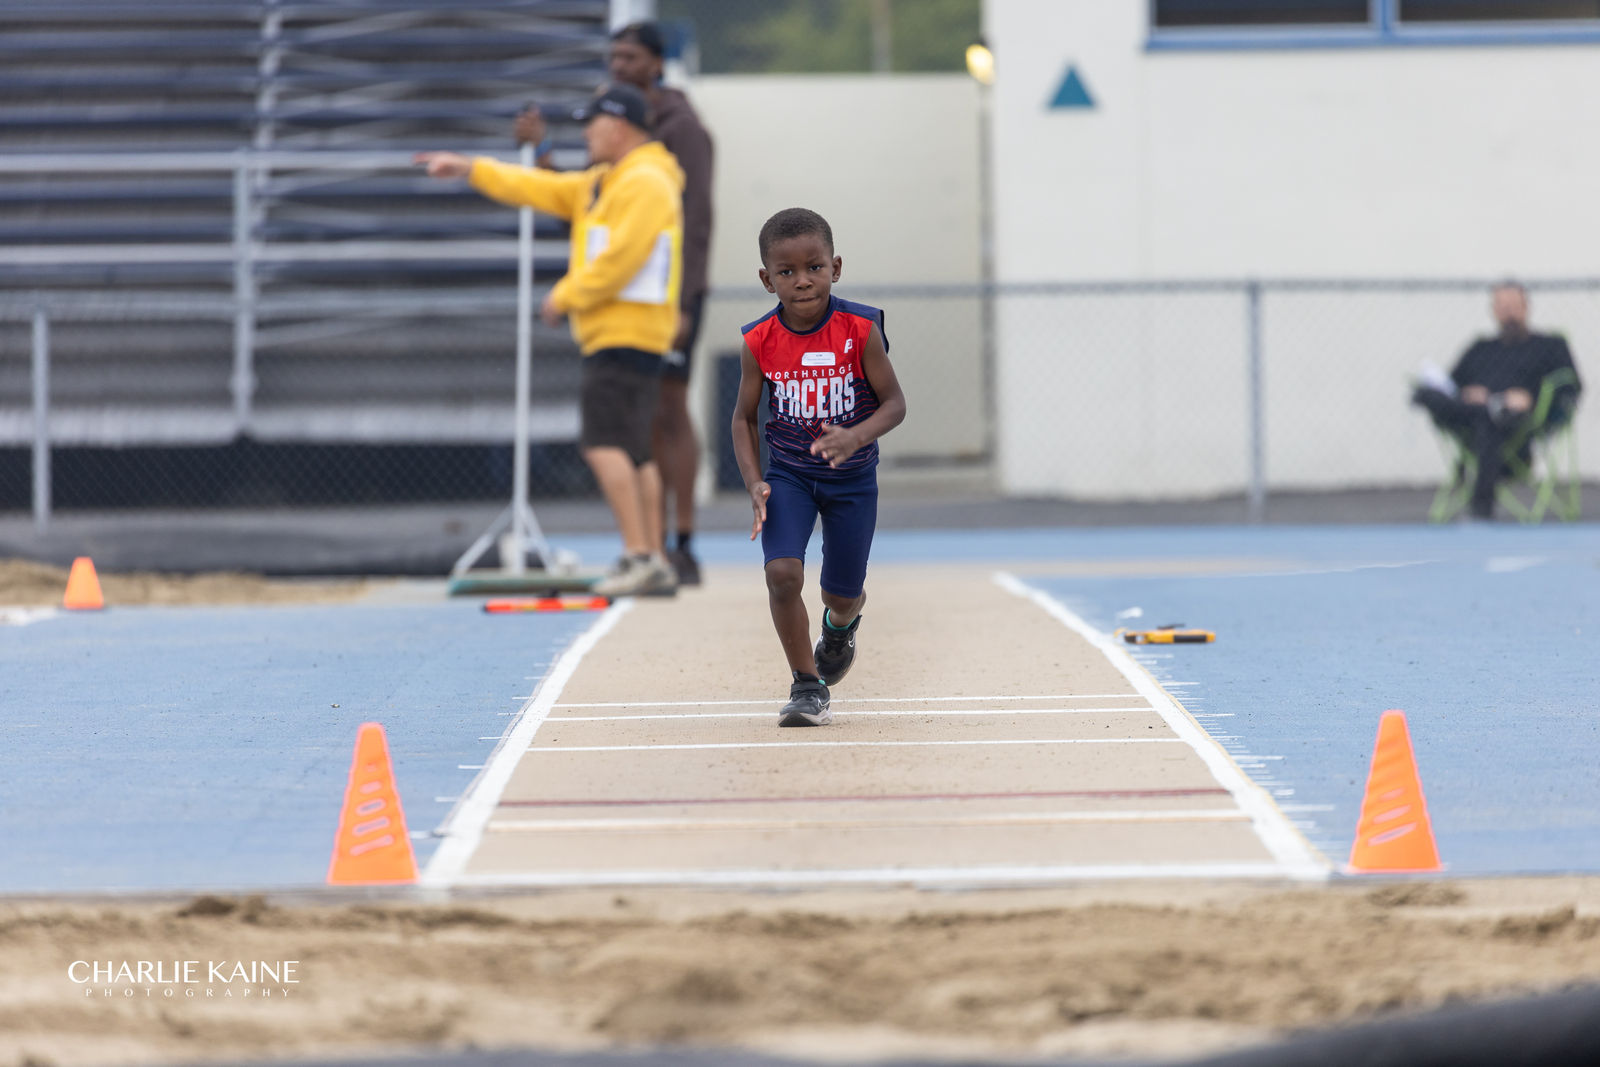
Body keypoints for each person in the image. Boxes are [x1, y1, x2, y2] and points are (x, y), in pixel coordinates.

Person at [417, 84, 683, 596]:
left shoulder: (645, 180)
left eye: (593, 122)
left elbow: (623, 256)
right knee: (634, 450)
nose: (585, 132)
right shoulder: (609, 179)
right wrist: (471, 167)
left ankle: (640, 556)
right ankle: (652, 556)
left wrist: (565, 294)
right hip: (628, 329)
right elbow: (539, 188)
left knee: (604, 443)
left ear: (619, 125)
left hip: (626, 329)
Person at [515, 21, 714, 586]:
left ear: (657, 63)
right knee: (638, 425)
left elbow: (695, 219)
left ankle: (681, 542)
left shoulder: (681, 131)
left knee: (667, 413)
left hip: (666, 296)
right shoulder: (613, 130)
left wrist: (684, 299)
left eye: (630, 56)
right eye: (614, 56)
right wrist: (543, 157)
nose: (619, 65)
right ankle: (652, 550)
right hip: (622, 301)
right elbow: (586, 201)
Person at [730, 208, 908, 727]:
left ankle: (838, 628)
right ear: (767, 280)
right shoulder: (757, 340)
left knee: (842, 594)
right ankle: (807, 686)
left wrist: (855, 436)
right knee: (782, 574)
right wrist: (754, 480)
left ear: (836, 267)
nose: (802, 280)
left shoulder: (860, 329)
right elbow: (742, 418)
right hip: (789, 474)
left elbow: (894, 403)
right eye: (786, 272)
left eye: (815, 267)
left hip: (852, 479)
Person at [1411, 281, 1582, 519]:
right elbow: (1453, 383)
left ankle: (1481, 506)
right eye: (1501, 306)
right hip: (1471, 415)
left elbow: (1571, 386)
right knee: (1432, 394)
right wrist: (1468, 393)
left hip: (1518, 423)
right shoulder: (1481, 348)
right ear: (1493, 310)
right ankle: (1479, 494)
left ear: (1526, 306)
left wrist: (1530, 398)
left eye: (1513, 305)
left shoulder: (1550, 346)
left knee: (1492, 417)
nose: (1508, 311)